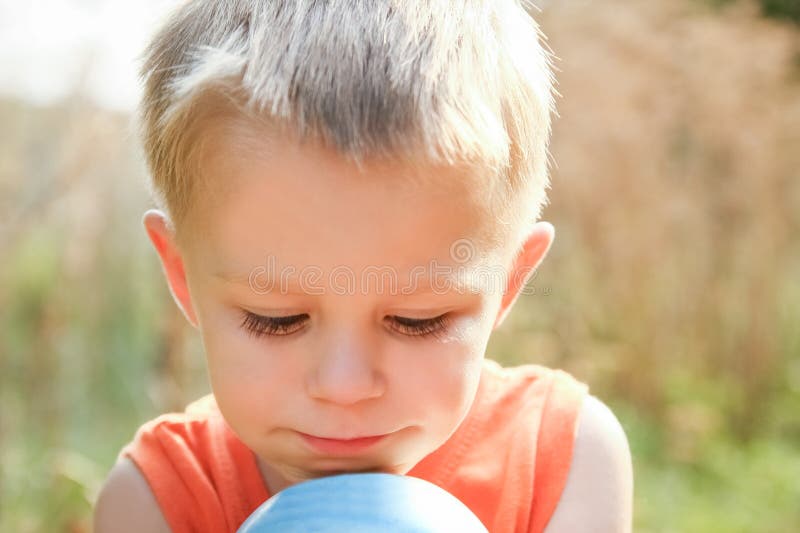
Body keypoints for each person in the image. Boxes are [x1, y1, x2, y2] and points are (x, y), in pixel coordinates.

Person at [94, 1, 633, 532]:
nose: (345, 386)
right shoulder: (157, 501)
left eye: (419, 321)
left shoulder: (564, 461)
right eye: (275, 319)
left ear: (509, 283)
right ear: (183, 277)